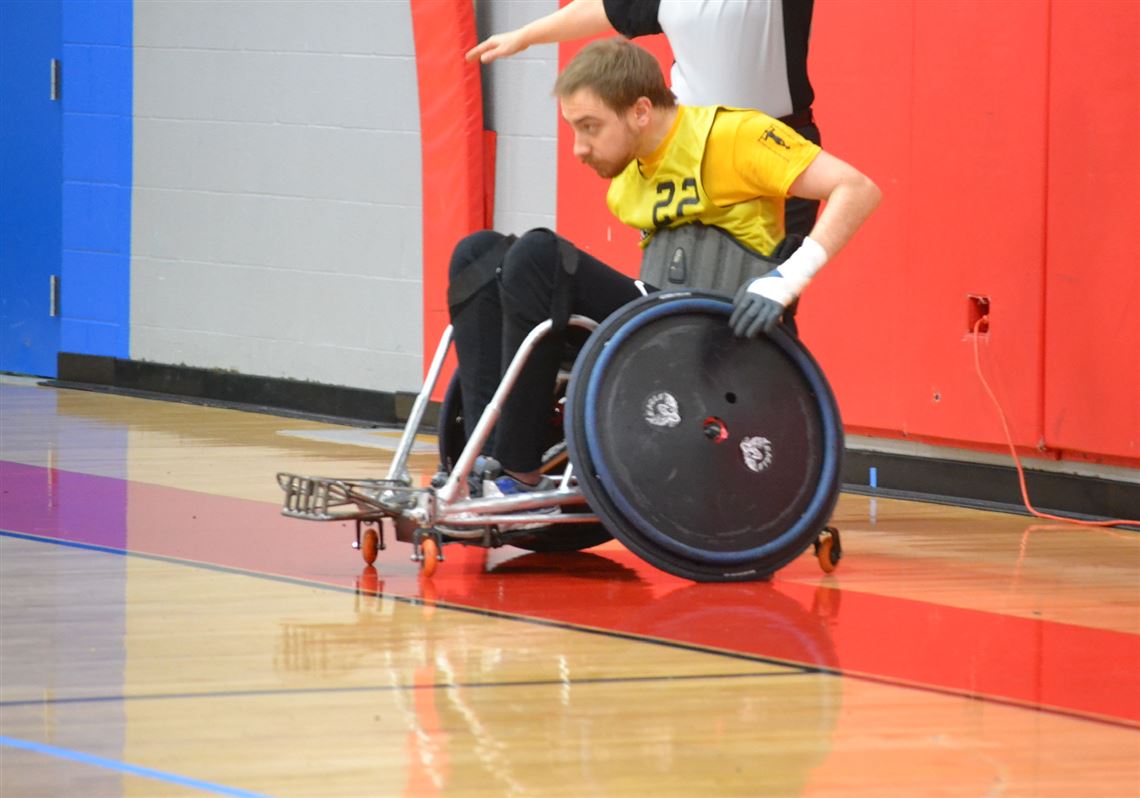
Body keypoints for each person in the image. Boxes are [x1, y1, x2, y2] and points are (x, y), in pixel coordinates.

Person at [448, 38, 879, 501]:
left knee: (538, 255)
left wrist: (786, 280)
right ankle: (480, 461)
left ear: (639, 111)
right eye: (575, 129)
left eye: (591, 127)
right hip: (660, 324)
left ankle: (518, 470)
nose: (579, 148)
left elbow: (858, 189)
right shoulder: (626, 183)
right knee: (477, 252)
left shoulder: (734, 137)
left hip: (722, 331)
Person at [467, 0, 822, 238]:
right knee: (685, 307)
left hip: (775, 152)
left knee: (764, 312)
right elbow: (605, 8)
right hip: (689, 159)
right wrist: (523, 36)